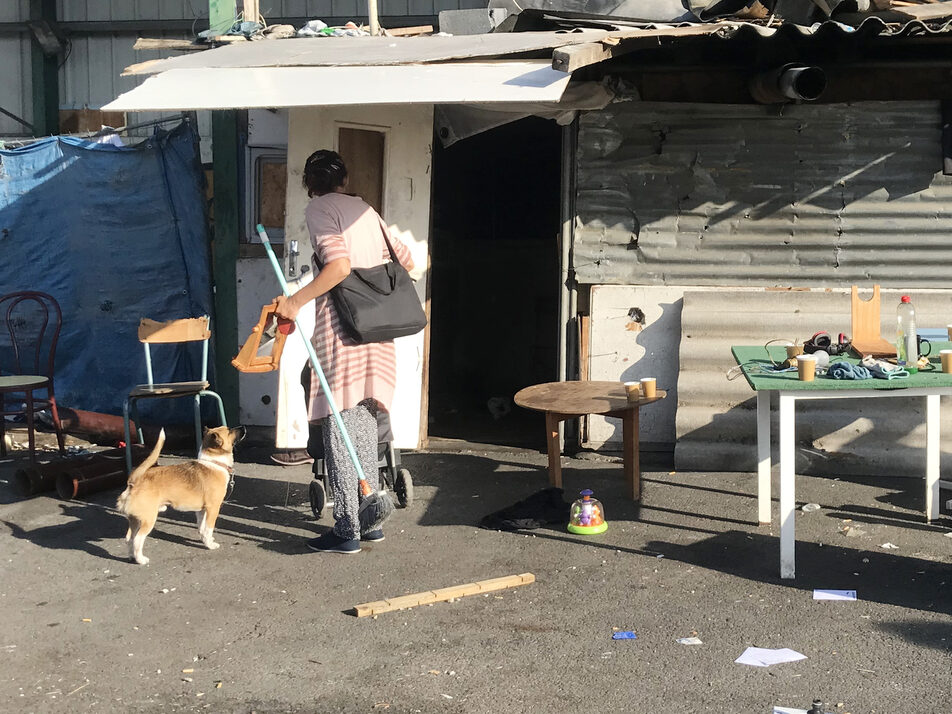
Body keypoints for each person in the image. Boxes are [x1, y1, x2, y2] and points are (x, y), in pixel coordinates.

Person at [272, 149, 414, 555]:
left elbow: (338, 268)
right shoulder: (365, 210)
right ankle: (369, 521)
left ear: (308, 183)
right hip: (378, 332)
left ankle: (347, 527)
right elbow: (407, 260)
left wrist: (296, 300)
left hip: (344, 332)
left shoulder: (320, 210)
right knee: (364, 422)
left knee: (338, 426)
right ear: (344, 180)